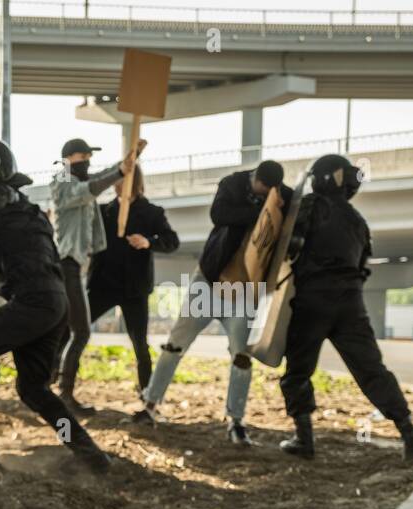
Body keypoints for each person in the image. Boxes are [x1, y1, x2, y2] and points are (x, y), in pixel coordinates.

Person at [0, 139, 111, 473]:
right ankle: (90, 455)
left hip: (33, 302)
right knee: (34, 389)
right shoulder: (24, 206)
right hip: (54, 302)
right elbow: (24, 254)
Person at [133, 159, 289, 446]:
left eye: (268, 191)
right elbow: (220, 214)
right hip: (210, 279)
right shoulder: (233, 183)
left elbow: (289, 225)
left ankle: (236, 421)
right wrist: (261, 210)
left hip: (244, 292)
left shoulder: (283, 196)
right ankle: (150, 405)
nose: (262, 192)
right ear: (254, 178)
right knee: (176, 343)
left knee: (241, 357)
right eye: (260, 188)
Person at [278, 154, 413, 463]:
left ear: (322, 178)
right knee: (371, 370)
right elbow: (362, 264)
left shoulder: (312, 206)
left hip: (313, 300)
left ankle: (304, 439)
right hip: (351, 303)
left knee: (297, 372)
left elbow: (291, 246)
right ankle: (408, 431)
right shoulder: (359, 222)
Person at [49, 136, 138, 417]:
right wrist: (120, 172)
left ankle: (51, 387)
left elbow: (99, 179)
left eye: (88, 156)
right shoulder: (63, 182)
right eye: (82, 156)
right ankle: (63, 394)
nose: (87, 161)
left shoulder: (80, 182)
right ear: (68, 160)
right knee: (81, 331)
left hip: (72, 266)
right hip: (66, 265)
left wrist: (124, 165)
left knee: (63, 329)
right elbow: (90, 188)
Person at [85, 166, 179, 396]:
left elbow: (172, 241)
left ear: (133, 181)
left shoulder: (152, 212)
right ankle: (58, 379)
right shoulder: (102, 211)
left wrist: (148, 242)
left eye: (121, 179)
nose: (116, 183)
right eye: (115, 179)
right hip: (102, 284)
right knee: (74, 330)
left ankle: (147, 394)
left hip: (133, 289)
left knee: (140, 344)